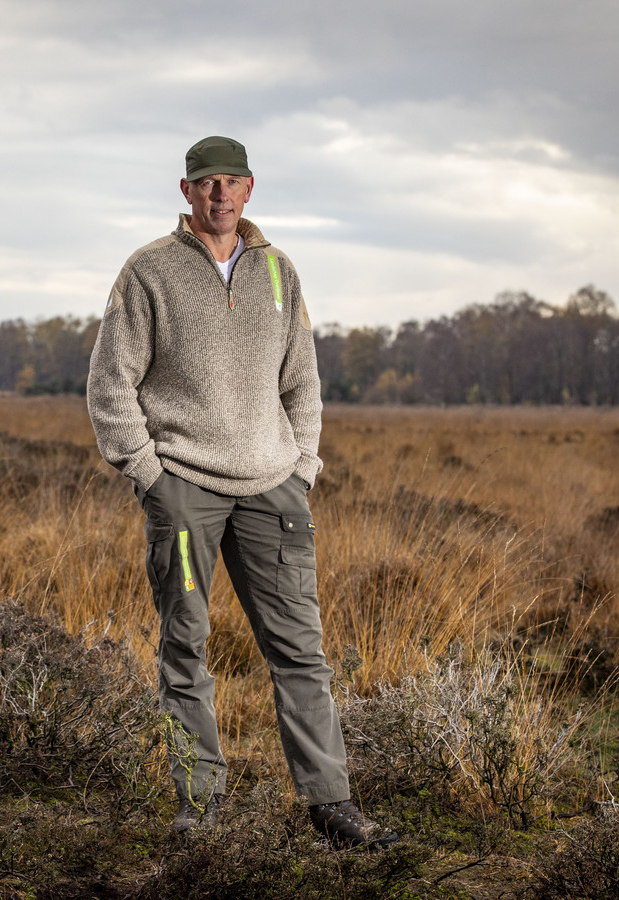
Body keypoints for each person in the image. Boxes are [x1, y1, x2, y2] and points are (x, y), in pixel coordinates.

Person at [86, 136, 398, 850]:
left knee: (300, 653)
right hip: (185, 492)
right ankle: (202, 805)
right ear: (188, 191)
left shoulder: (280, 273)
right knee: (185, 647)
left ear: (250, 189)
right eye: (206, 184)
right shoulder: (148, 273)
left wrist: (304, 466)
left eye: (231, 183)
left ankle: (332, 807)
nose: (219, 195)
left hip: (272, 492)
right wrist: (150, 477)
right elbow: (110, 385)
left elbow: (303, 383)